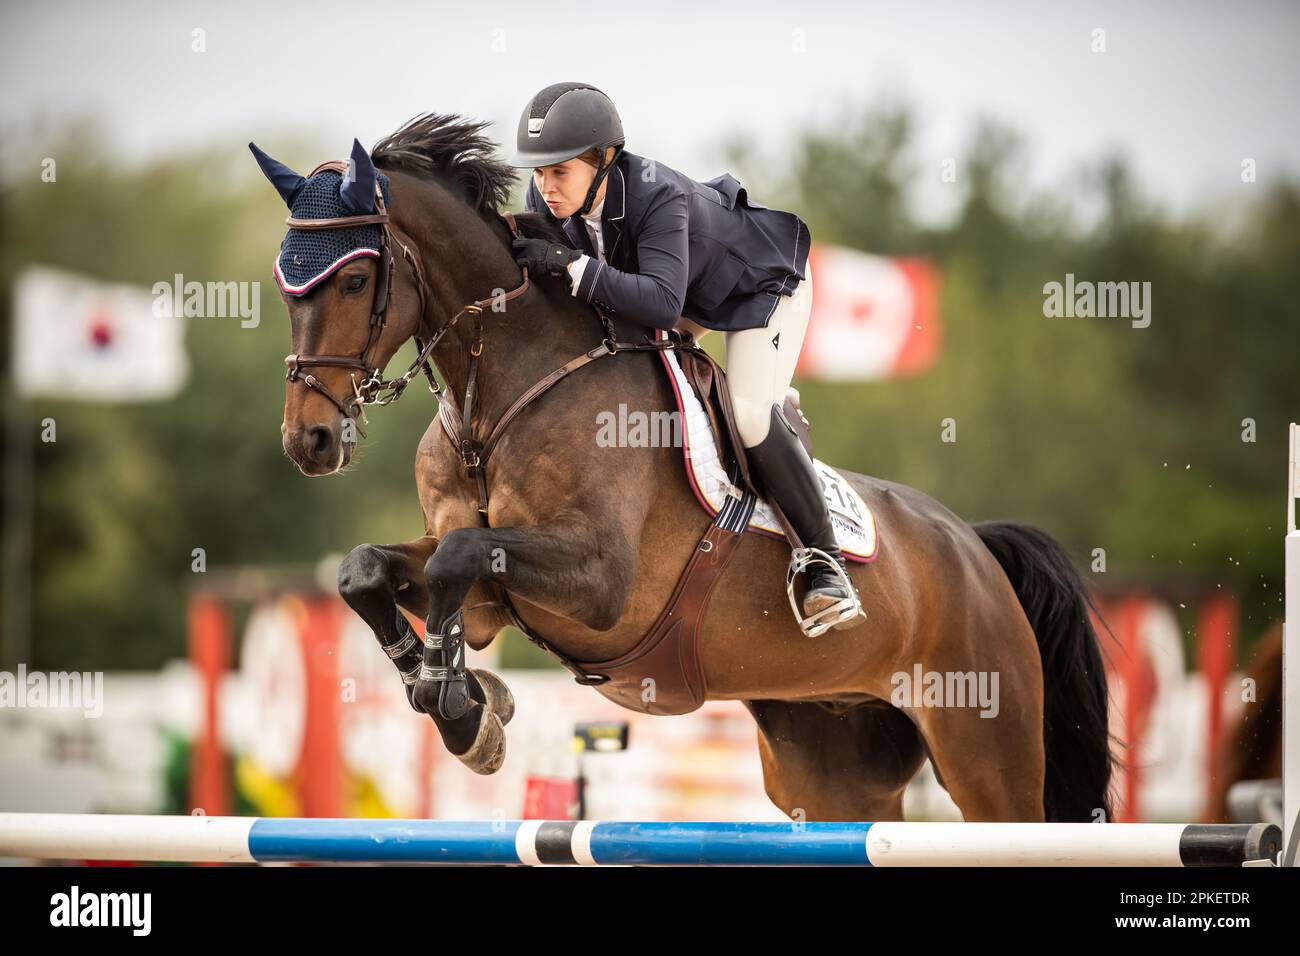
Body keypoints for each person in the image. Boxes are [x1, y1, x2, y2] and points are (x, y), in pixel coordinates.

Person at [507, 82, 863, 635]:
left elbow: (661, 301)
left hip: (762, 290)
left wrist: (571, 267)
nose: (546, 188)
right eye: (539, 173)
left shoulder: (657, 196)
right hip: (685, 293)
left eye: (560, 172)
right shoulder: (549, 204)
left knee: (747, 412)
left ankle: (824, 561)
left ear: (604, 162)